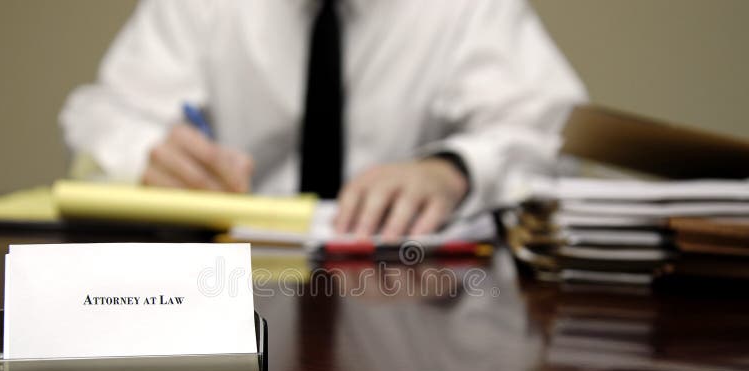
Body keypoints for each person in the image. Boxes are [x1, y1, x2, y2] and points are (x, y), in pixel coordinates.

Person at [60, 0, 585, 239]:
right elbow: (100, 112)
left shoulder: (470, 9)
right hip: (230, 282)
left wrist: (454, 168)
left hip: (409, 295)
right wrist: (150, 154)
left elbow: (557, 137)